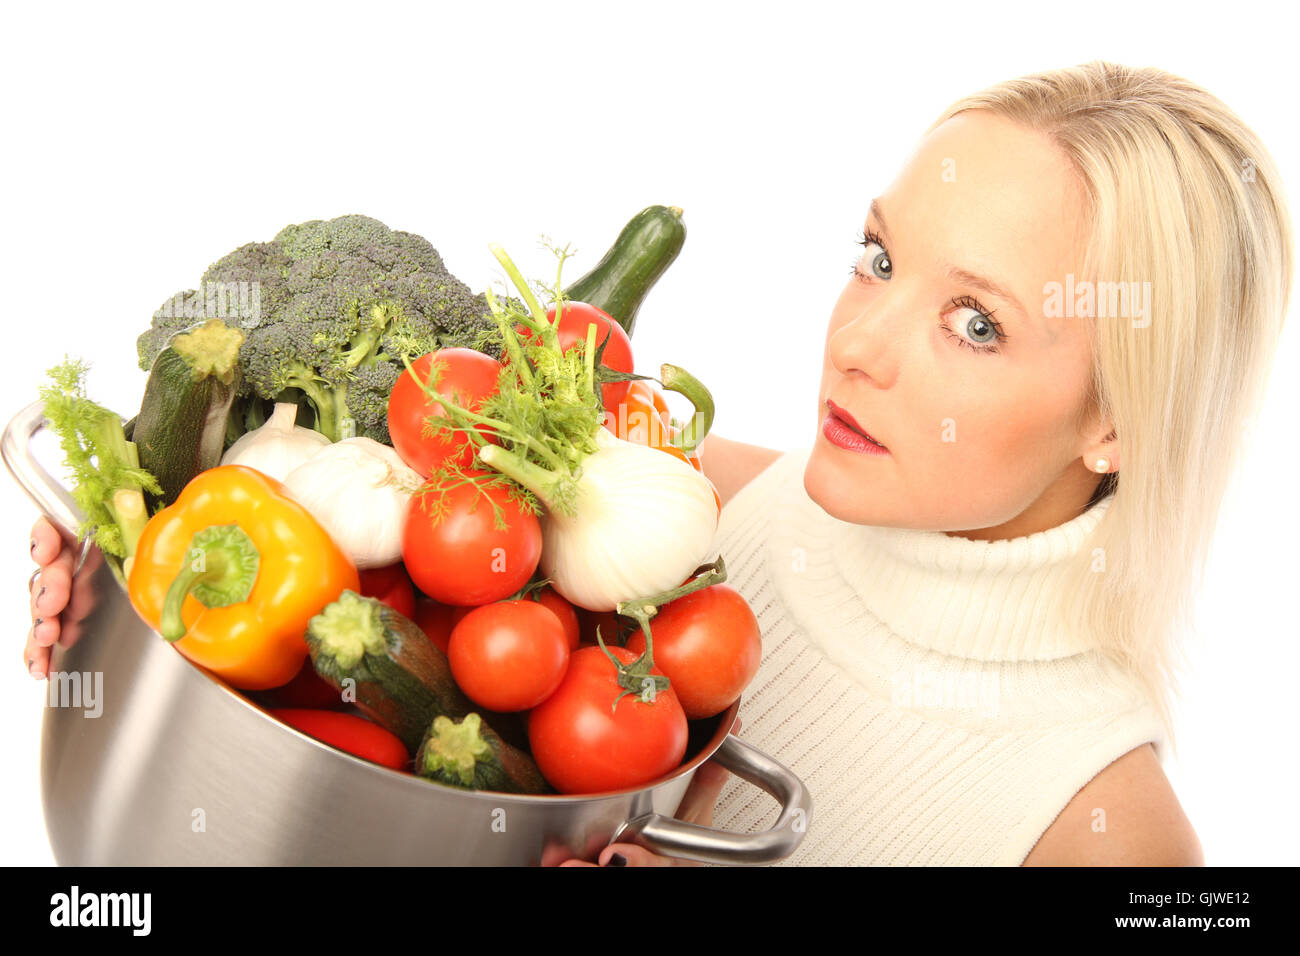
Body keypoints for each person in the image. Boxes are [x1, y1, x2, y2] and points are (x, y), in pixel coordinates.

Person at [24, 60, 1292, 866]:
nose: (858, 346)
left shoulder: (1110, 834)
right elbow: (365, 577)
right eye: (878, 257)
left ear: (1114, 423)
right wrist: (138, 585)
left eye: (978, 322)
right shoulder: (716, 504)